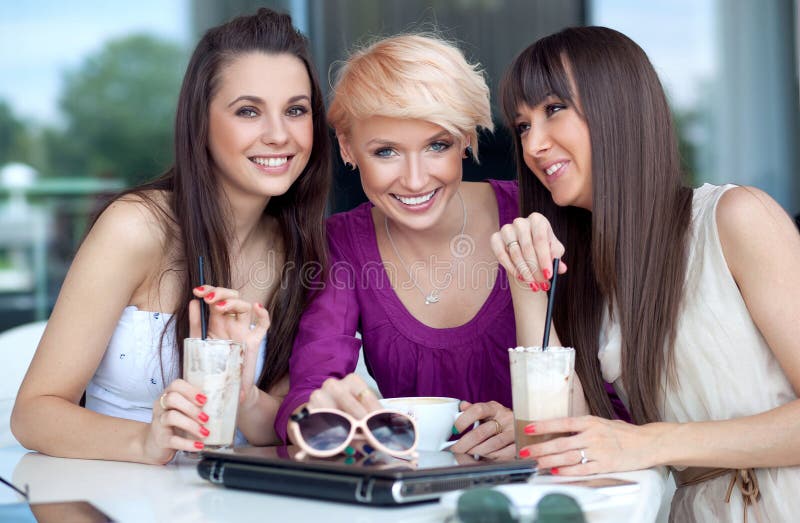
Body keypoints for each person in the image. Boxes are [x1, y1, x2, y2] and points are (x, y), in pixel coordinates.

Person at [496, 26, 800, 521]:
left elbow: (630, 446)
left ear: (619, 106)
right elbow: (556, 444)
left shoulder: (735, 219)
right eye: (523, 126)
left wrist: (649, 442)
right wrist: (529, 285)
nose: (534, 145)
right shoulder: (592, 272)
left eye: (553, 109)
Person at [274, 33, 625, 458]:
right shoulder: (342, 244)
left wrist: (529, 434)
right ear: (348, 148)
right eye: (386, 152)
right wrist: (321, 415)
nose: (416, 179)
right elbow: (308, 392)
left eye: (437, 145)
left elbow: (618, 405)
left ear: (466, 139)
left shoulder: (537, 215)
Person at [11, 8, 330, 465]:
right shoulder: (137, 227)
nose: (279, 134)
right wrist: (144, 442)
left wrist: (240, 391)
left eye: (295, 110)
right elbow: (33, 415)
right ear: (202, 121)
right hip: (108, 499)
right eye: (248, 111)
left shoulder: (299, 246)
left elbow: (270, 431)